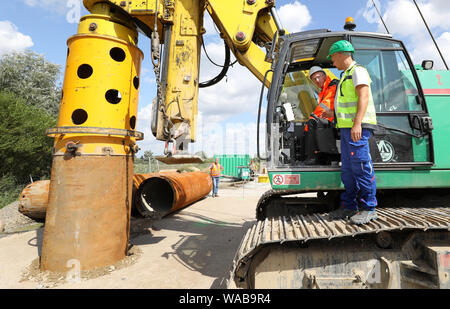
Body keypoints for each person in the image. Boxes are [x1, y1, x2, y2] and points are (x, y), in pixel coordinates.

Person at [327, 40, 378, 225]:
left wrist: (357, 124)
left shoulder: (358, 71)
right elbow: (348, 104)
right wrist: (331, 113)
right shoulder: (345, 75)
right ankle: (349, 206)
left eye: (333, 57)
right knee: (348, 170)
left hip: (358, 128)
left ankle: (368, 208)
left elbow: (363, 96)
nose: (332, 62)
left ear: (341, 54)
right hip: (348, 129)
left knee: (361, 167)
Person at [303, 66, 339, 164]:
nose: (317, 80)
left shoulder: (332, 86)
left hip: (336, 119)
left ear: (325, 75)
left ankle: (313, 158)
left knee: (312, 123)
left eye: (319, 77)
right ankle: (316, 156)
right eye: (314, 79)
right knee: (313, 122)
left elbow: (324, 107)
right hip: (332, 118)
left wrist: (311, 119)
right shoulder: (323, 91)